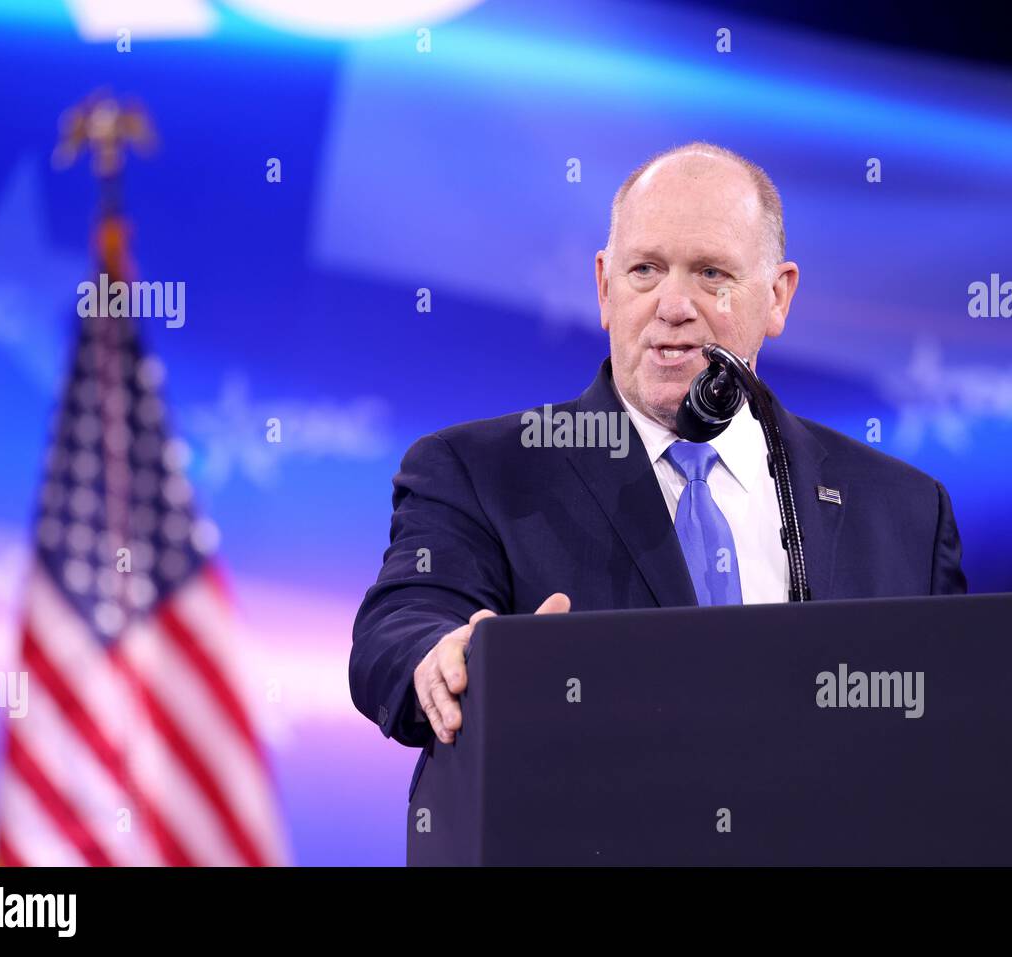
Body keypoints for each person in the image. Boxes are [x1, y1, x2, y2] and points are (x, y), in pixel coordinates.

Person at [350, 142, 967, 752]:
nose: (672, 307)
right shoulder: (482, 472)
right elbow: (399, 629)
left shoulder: (905, 510)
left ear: (777, 297)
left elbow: (958, 730)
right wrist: (442, 656)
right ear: (603, 287)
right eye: (644, 270)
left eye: (712, 274)